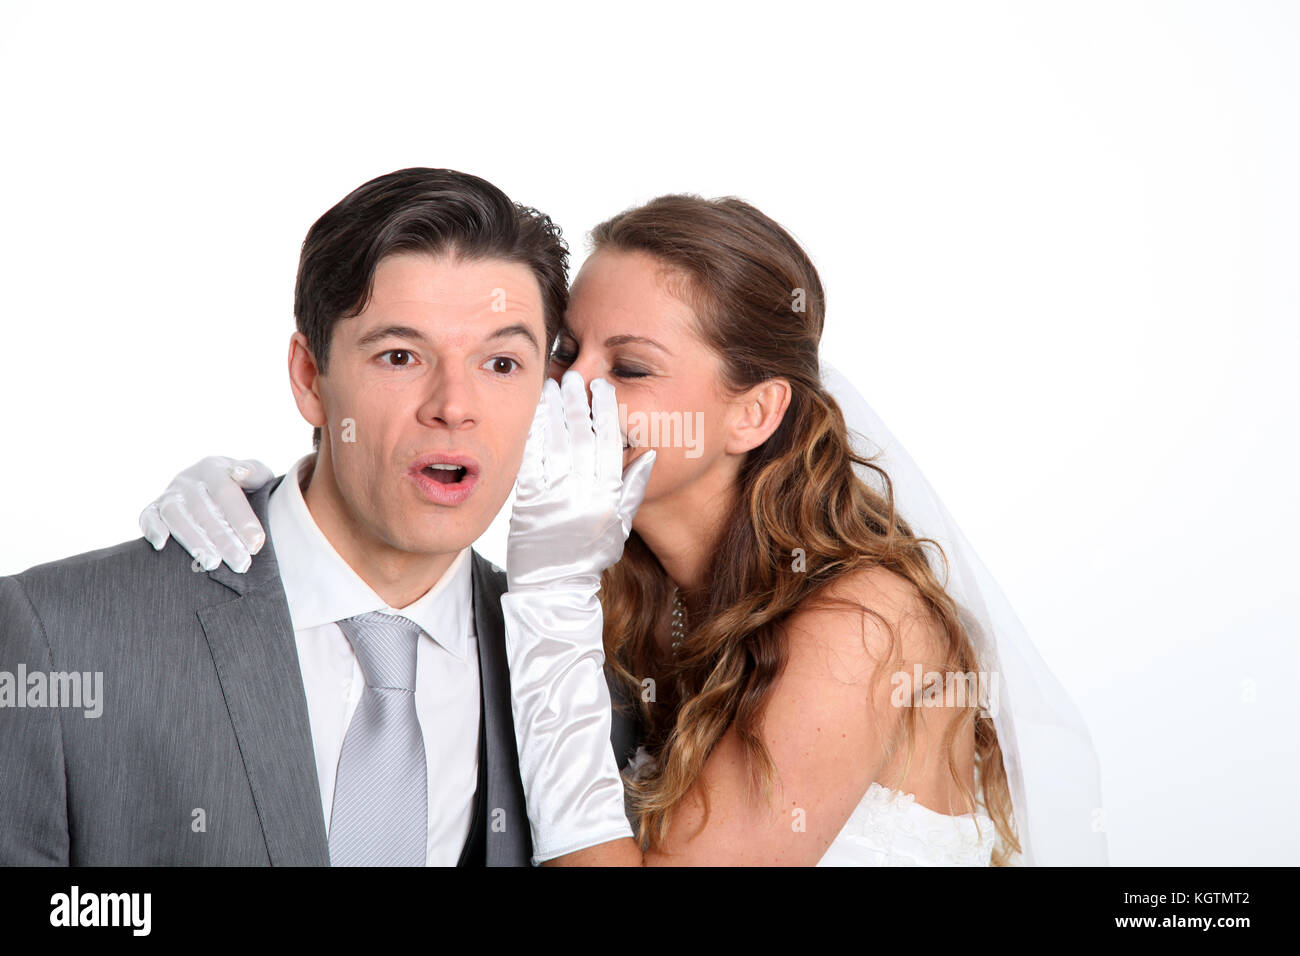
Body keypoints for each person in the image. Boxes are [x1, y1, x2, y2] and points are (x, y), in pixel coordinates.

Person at [141, 195, 1108, 866]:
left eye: (630, 368)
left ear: (753, 412)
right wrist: (282, 498)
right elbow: (408, 481)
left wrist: (552, 602)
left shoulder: (865, 627)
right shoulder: (615, 592)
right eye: (565, 353)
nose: (572, 389)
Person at [0, 167, 655, 866]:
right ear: (310, 377)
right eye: (400, 356)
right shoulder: (58, 635)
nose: (453, 406)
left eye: (500, 363)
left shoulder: (592, 689)